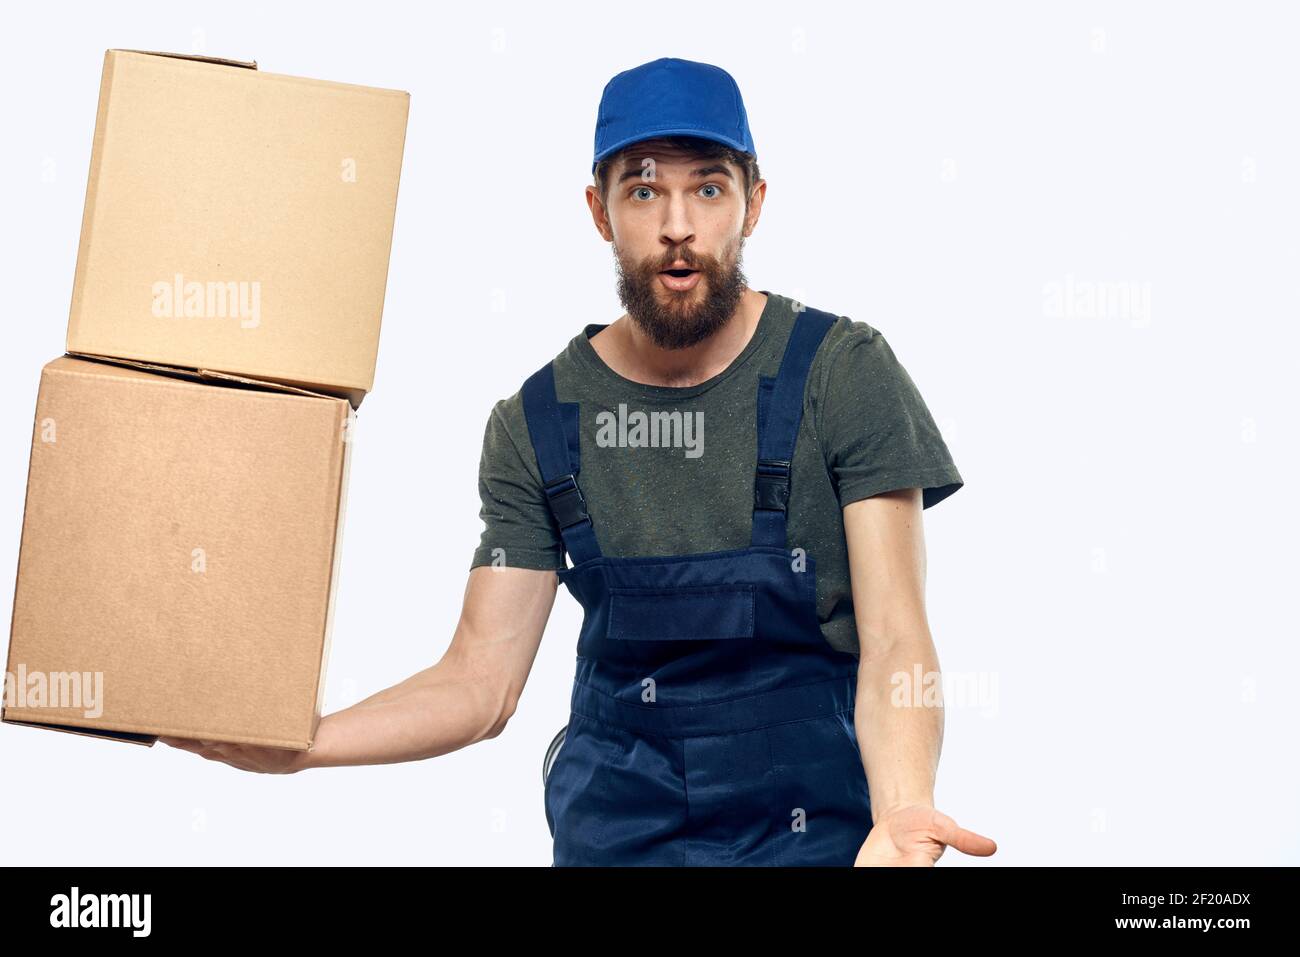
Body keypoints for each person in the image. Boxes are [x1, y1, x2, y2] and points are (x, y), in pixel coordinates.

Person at [162, 56, 997, 868]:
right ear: (600, 211)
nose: (678, 225)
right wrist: (305, 744)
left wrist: (899, 815)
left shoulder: (842, 373)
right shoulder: (536, 422)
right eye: (643, 190)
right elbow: (480, 682)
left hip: (817, 836)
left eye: (709, 187)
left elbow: (895, 639)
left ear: (754, 204)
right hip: (617, 837)